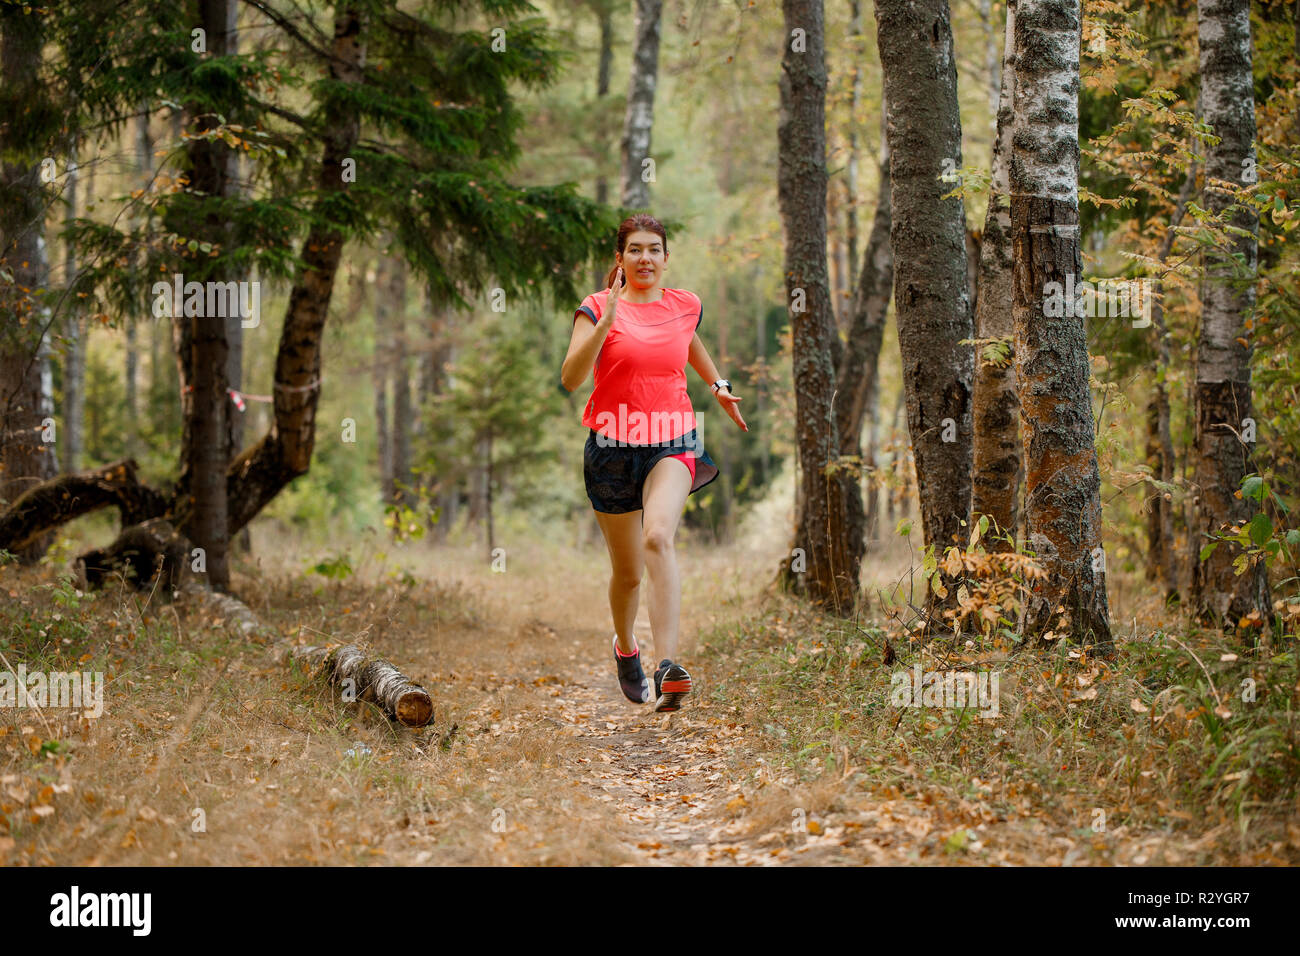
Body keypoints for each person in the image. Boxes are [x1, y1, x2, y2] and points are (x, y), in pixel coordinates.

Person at [561, 214, 748, 712]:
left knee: (657, 537)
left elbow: (690, 346)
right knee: (627, 574)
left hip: (673, 439)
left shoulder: (684, 305)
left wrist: (719, 387)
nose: (646, 258)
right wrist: (604, 325)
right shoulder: (596, 307)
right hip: (611, 447)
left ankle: (668, 667)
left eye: (655, 249)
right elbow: (571, 378)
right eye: (636, 250)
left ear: (666, 258)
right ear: (619, 258)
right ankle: (626, 646)